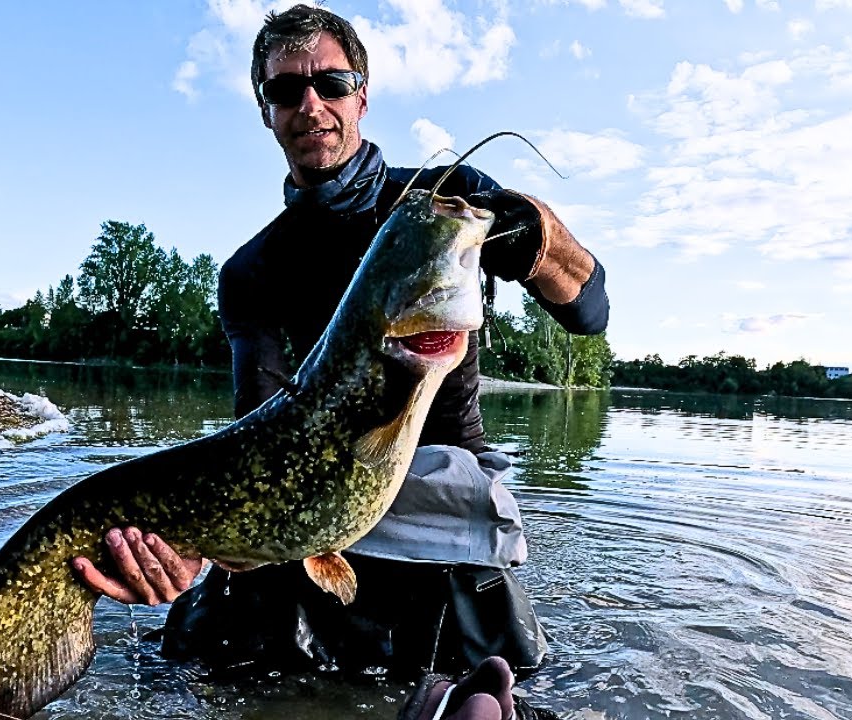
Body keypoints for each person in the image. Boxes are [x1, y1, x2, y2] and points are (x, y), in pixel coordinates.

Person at [73, 4, 605, 717]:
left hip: (441, 497)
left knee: (490, 695)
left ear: (362, 95)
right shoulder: (251, 272)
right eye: (285, 89)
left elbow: (589, 312)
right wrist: (192, 543)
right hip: (308, 492)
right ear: (266, 110)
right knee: (198, 669)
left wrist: (539, 237)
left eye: (331, 82)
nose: (310, 104)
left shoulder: (445, 201)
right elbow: (258, 421)